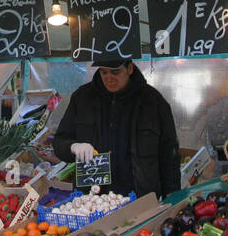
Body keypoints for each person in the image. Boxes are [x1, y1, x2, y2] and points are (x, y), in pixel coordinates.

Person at [52, 58, 181, 200]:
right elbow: (59, 142)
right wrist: (73, 146)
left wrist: (172, 196)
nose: (109, 78)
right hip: (90, 200)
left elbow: (169, 156)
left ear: (130, 69)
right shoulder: (82, 98)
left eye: (115, 72)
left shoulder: (154, 102)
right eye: (103, 72)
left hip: (140, 200)